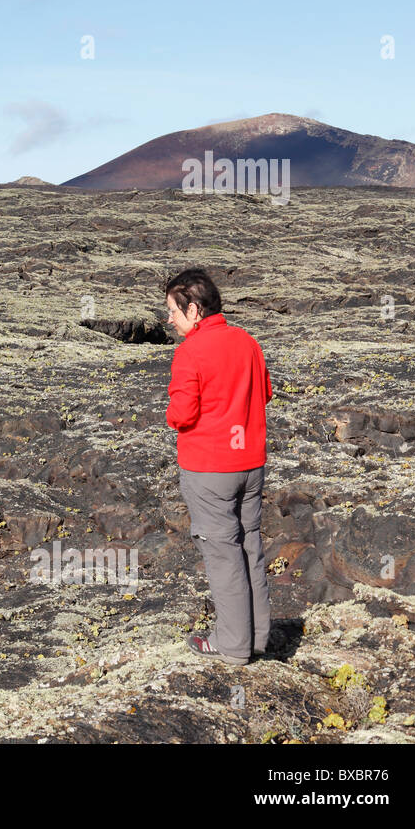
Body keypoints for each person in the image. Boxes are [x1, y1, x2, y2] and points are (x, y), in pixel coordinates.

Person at [163, 268, 273, 666]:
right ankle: (257, 638)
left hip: (209, 470)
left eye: (173, 311)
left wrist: (171, 415)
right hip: (250, 462)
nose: (169, 320)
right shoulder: (247, 342)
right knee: (250, 547)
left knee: (223, 555)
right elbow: (266, 393)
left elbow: (182, 413)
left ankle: (232, 648)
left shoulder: (190, 352)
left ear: (194, 310)